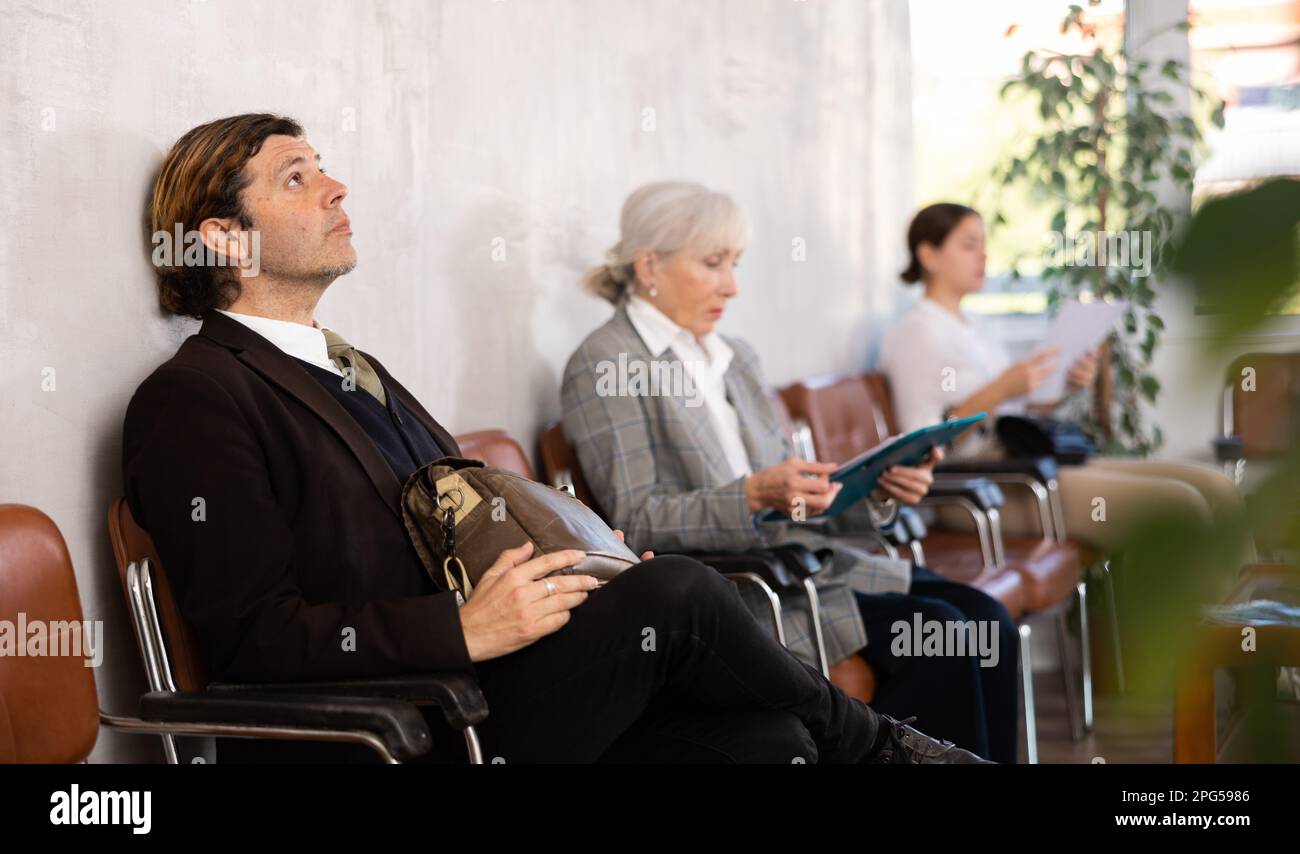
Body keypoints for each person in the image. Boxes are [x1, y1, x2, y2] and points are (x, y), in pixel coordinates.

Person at [123, 113, 987, 764]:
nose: (336, 188)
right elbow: (250, 639)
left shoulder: (354, 366)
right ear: (224, 240)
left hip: (499, 681)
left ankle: (863, 744)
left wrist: (589, 565)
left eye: (325, 169)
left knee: (771, 737)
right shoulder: (195, 397)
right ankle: (885, 750)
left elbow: (453, 518)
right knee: (681, 594)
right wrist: (460, 630)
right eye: (296, 178)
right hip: (404, 718)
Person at [562, 182, 1019, 762]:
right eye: (713, 264)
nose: (732, 285)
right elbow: (636, 516)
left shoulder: (733, 357)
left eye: (735, 263)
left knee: (987, 622)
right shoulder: (606, 364)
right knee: (946, 640)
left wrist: (877, 489)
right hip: (741, 589)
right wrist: (751, 496)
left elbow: (794, 491)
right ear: (649, 265)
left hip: (808, 559)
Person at [878, 202, 1249, 563]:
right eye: (969, 245)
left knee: (1217, 487)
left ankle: (1253, 617)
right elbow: (919, 448)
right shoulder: (916, 334)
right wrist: (1000, 389)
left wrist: (1062, 385)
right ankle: (1213, 624)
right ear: (929, 256)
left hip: (1025, 464)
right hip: (980, 487)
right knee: (1182, 505)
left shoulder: (976, 328)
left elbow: (1015, 413)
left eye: (984, 245)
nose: (984, 257)